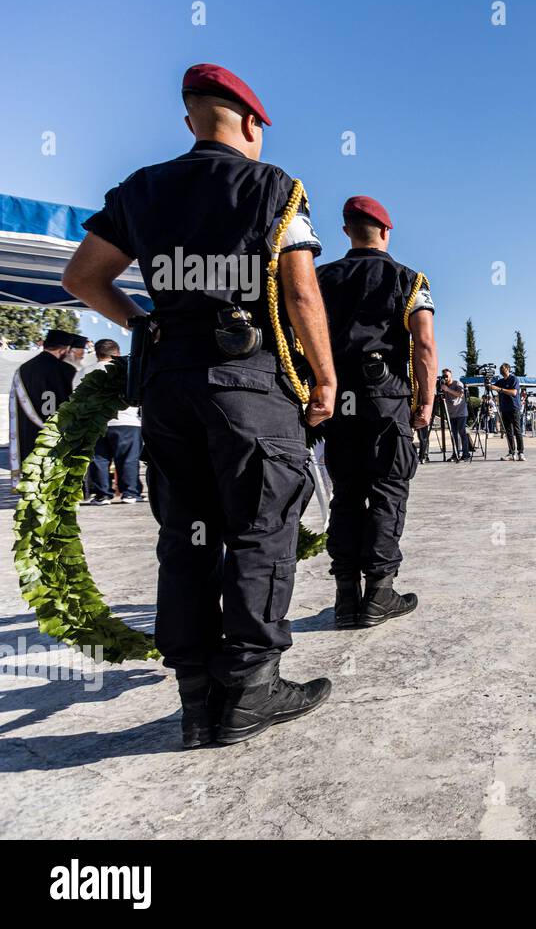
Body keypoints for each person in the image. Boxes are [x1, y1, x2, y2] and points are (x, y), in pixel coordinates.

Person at [62, 63, 336, 746]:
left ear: (190, 123)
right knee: (261, 528)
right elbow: (301, 293)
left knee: (185, 539)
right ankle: (251, 689)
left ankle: (196, 698)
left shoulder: (141, 189)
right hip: (248, 386)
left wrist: (140, 324)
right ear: (250, 124)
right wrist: (325, 380)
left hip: (168, 388)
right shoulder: (275, 188)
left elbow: (82, 277)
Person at [316, 195, 436, 632]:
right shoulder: (409, 279)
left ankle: (346, 596)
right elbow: (423, 344)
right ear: (386, 231)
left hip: (336, 402)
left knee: (346, 494)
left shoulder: (320, 277)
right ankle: (380, 593)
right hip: (386, 403)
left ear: (346, 231)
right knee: (388, 492)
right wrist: (425, 400)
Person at [8, 329, 87, 486]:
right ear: (63, 350)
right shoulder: (67, 370)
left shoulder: (23, 369)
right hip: (58, 433)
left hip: (29, 433)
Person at [75, 338, 143, 503]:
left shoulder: (84, 372)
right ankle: (130, 493)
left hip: (95, 422)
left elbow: (76, 399)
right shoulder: (128, 370)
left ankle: (102, 494)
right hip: (127, 422)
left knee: (98, 459)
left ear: (97, 354)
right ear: (117, 353)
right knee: (128, 459)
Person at [486, 362, 524, 459]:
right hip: (504, 408)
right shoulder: (500, 381)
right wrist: (487, 382)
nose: (502, 371)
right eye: (500, 369)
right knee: (508, 432)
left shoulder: (513, 379)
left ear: (508, 369)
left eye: (503, 369)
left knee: (517, 430)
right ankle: (511, 452)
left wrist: (499, 389)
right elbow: (491, 386)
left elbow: (514, 392)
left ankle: (521, 452)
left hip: (514, 408)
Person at [436, 369, 471, 460]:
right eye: (444, 376)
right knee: (453, 434)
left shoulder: (457, 383)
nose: (445, 378)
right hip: (450, 414)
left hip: (461, 412)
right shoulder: (443, 386)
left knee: (462, 432)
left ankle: (466, 454)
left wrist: (447, 389)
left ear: (451, 375)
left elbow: (460, 394)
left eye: (447, 376)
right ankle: (455, 453)